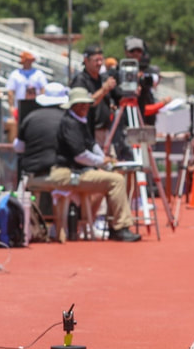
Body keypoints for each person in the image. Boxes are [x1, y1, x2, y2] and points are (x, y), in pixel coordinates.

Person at [54, 86, 141, 242]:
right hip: (72, 173)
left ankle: (115, 225)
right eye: (80, 104)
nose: (85, 107)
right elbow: (80, 155)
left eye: (86, 104)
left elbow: (92, 144)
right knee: (116, 180)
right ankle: (120, 226)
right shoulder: (70, 123)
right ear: (73, 105)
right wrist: (102, 161)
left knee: (116, 175)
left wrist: (106, 160)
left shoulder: (79, 121)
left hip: (79, 171)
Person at [69, 44, 119, 151]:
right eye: (96, 60)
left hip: (107, 130)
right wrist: (104, 90)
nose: (99, 63)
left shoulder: (103, 79)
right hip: (91, 131)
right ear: (86, 60)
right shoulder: (81, 80)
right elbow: (85, 103)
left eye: (101, 60)